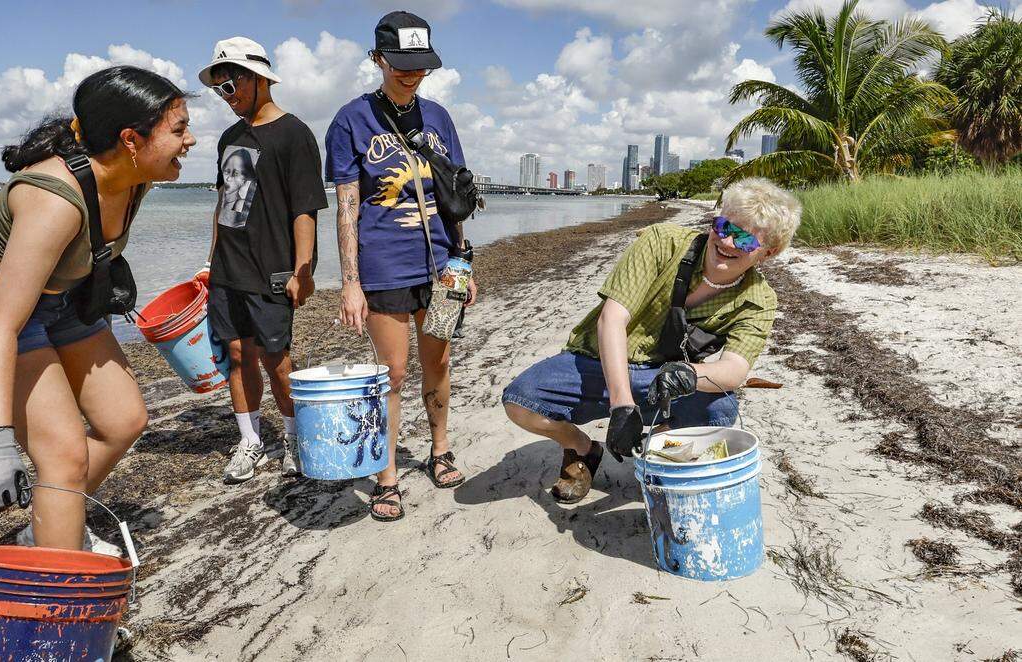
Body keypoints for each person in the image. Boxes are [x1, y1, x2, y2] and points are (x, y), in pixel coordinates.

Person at [0, 66, 195, 551]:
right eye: (179, 129)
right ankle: (56, 608)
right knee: (64, 456)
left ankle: (50, 521)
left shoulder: (138, 177)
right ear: (130, 139)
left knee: (123, 421)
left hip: (63, 296)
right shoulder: (54, 200)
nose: (190, 141)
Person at [502, 178, 801, 503]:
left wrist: (689, 374)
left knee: (720, 408)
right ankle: (582, 448)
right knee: (521, 401)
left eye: (744, 239)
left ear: (768, 252)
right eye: (724, 225)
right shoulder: (662, 242)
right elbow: (612, 319)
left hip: (664, 379)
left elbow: (734, 370)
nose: (727, 241)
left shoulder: (758, 299)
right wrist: (622, 407)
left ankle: (659, 447)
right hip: (600, 362)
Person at [325, 11, 477, 522]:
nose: (411, 74)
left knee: (438, 363)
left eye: (420, 66)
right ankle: (387, 474)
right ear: (377, 59)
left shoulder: (439, 118)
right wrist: (349, 282)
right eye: (400, 65)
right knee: (390, 373)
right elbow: (348, 204)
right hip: (384, 266)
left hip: (441, 268)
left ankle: (440, 449)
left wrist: (463, 263)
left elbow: (456, 195)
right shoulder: (351, 120)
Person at [196, 37, 328, 484]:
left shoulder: (294, 134)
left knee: (277, 358)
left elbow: (304, 208)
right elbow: (225, 203)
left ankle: (292, 438)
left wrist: (302, 269)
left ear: (256, 78)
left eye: (230, 85)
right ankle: (250, 441)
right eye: (220, 90)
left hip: (273, 268)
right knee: (237, 354)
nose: (226, 97)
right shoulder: (230, 138)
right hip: (228, 271)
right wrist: (210, 262)